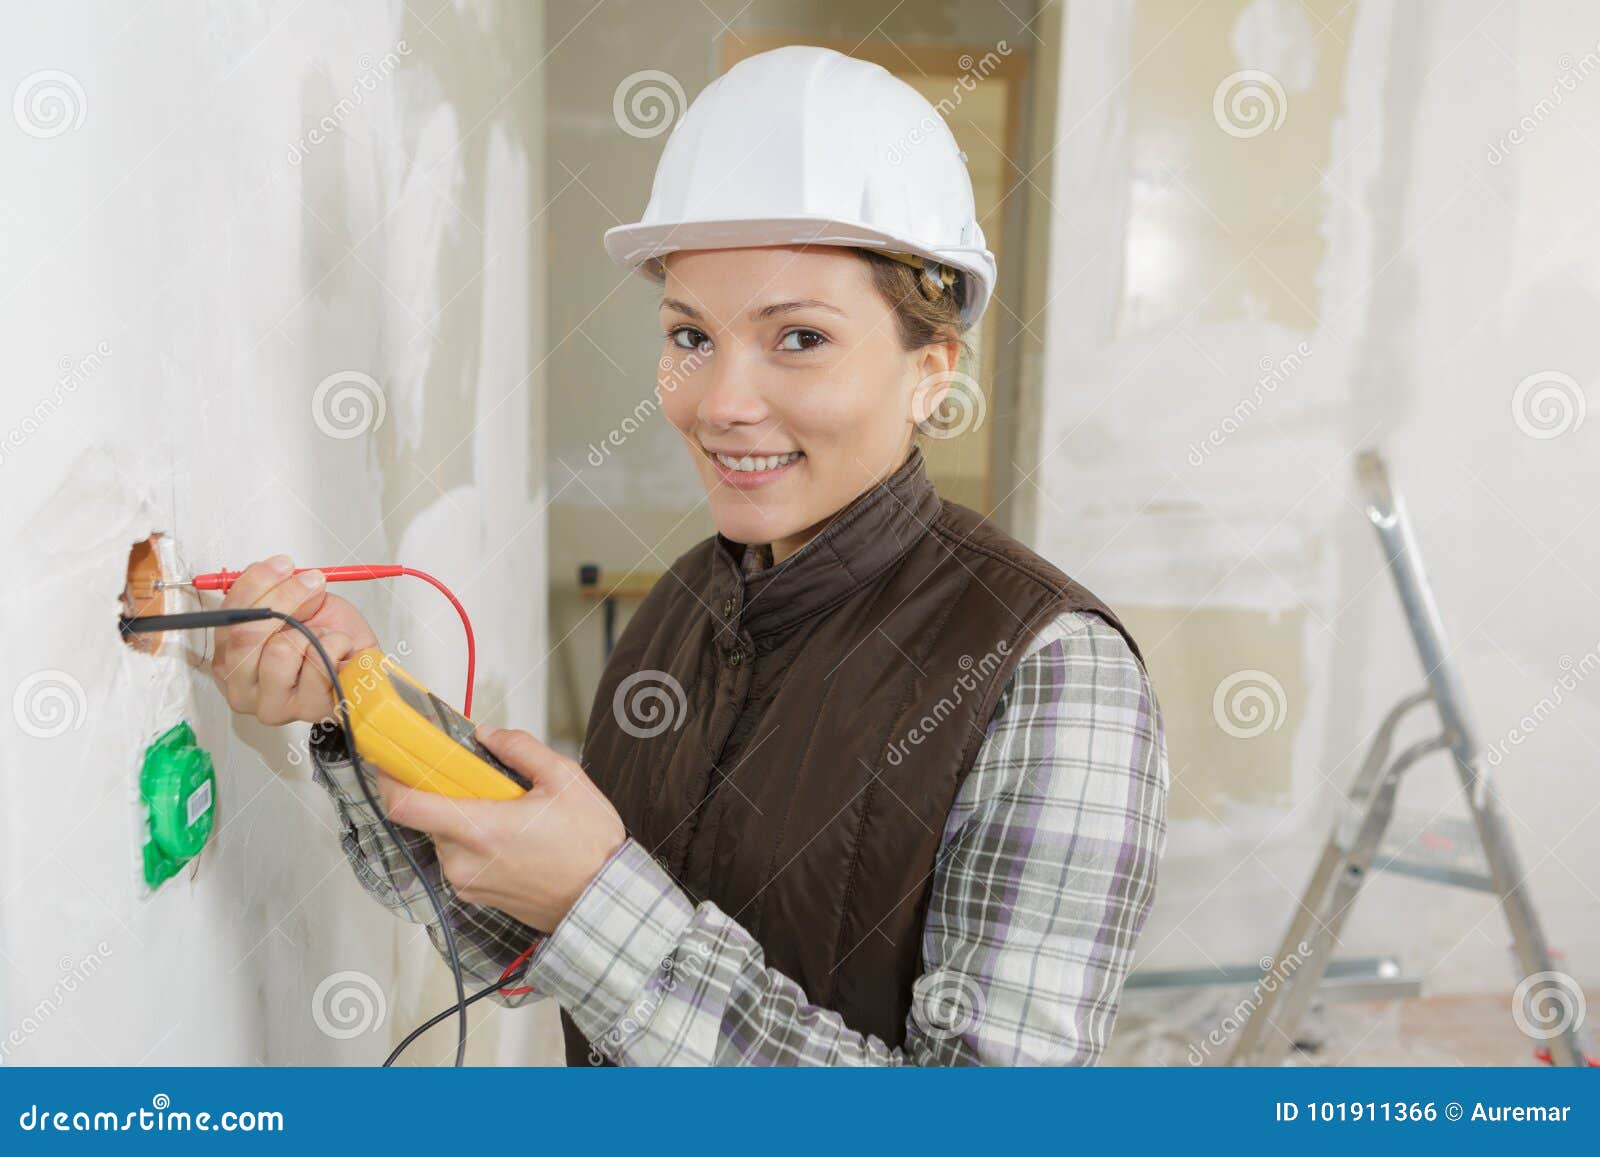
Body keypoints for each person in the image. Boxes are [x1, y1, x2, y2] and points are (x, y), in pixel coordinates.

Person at [209, 45, 1169, 1065]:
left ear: (931, 368)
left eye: (799, 337)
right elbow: (534, 931)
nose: (719, 402)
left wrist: (595, 897)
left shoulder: (1052, 673)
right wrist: (356, 701)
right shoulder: (689, 603)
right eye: (690, 336)